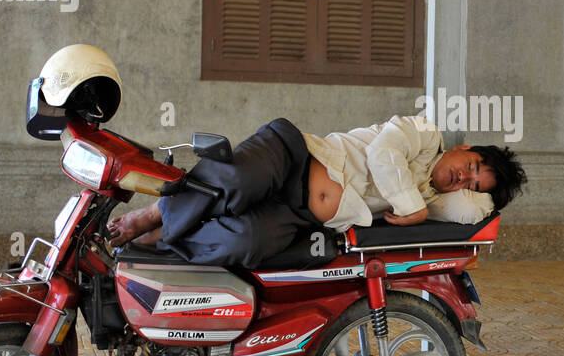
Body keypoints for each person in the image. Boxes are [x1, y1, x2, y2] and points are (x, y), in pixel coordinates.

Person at [107, 114, 527, 268]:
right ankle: (149, 216)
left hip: (300, 217)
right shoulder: (423, 133)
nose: (463, 180)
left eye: (473, 185)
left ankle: (162, 242)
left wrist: (437, 207)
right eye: (471, 168)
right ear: (463, 149)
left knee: (245, 243)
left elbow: (469, 214)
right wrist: (412, 207)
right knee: (237, 182)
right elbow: (383, 153)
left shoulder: (433, 204)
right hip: (293, 156)